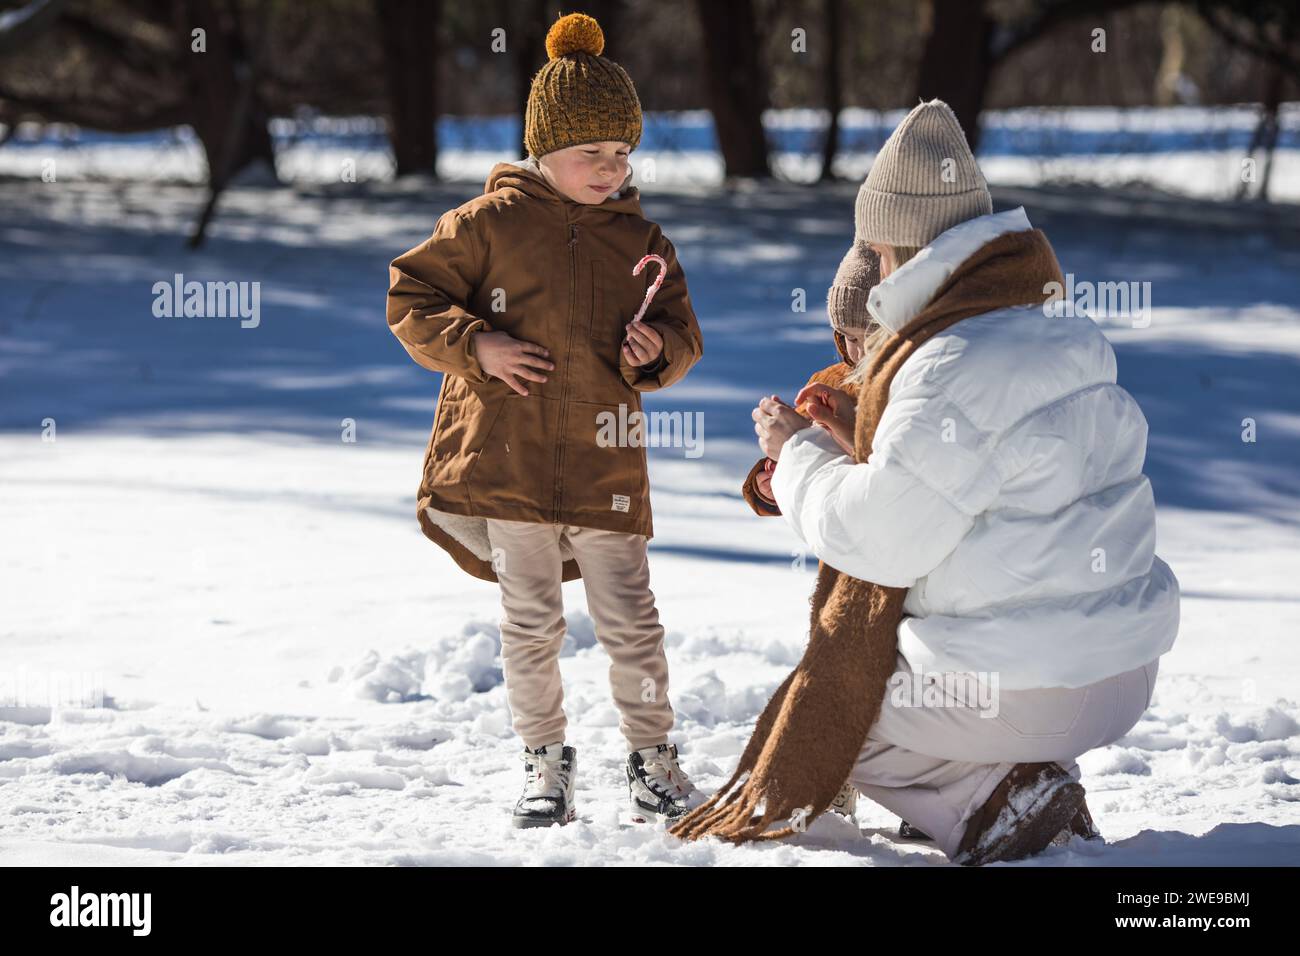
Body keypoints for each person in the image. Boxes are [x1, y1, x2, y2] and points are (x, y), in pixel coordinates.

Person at [698, 98, 1178, 864]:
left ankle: (995, 800)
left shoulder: (947, 364)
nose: (877, 272)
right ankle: (1013, 770)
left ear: (902, 248)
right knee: (871, 679)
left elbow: (877, 539)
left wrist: (796, 456)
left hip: (1025, 686)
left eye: (881, 254)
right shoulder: (1064, 332)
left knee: (829, 715)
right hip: (1121, 669)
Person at [385, 13, 705, 828]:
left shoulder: (641, 239)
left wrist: (651, 352)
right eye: (590, 154)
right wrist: (477, 344)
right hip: (511, 463)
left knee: (632, 619)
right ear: (543, 150)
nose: (611, 168)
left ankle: (652, 760)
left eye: (622, 153)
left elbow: (683, 336)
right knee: (529, 621)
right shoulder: (485, 225)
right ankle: (543, 764)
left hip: (605, 461)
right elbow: (410, 299)